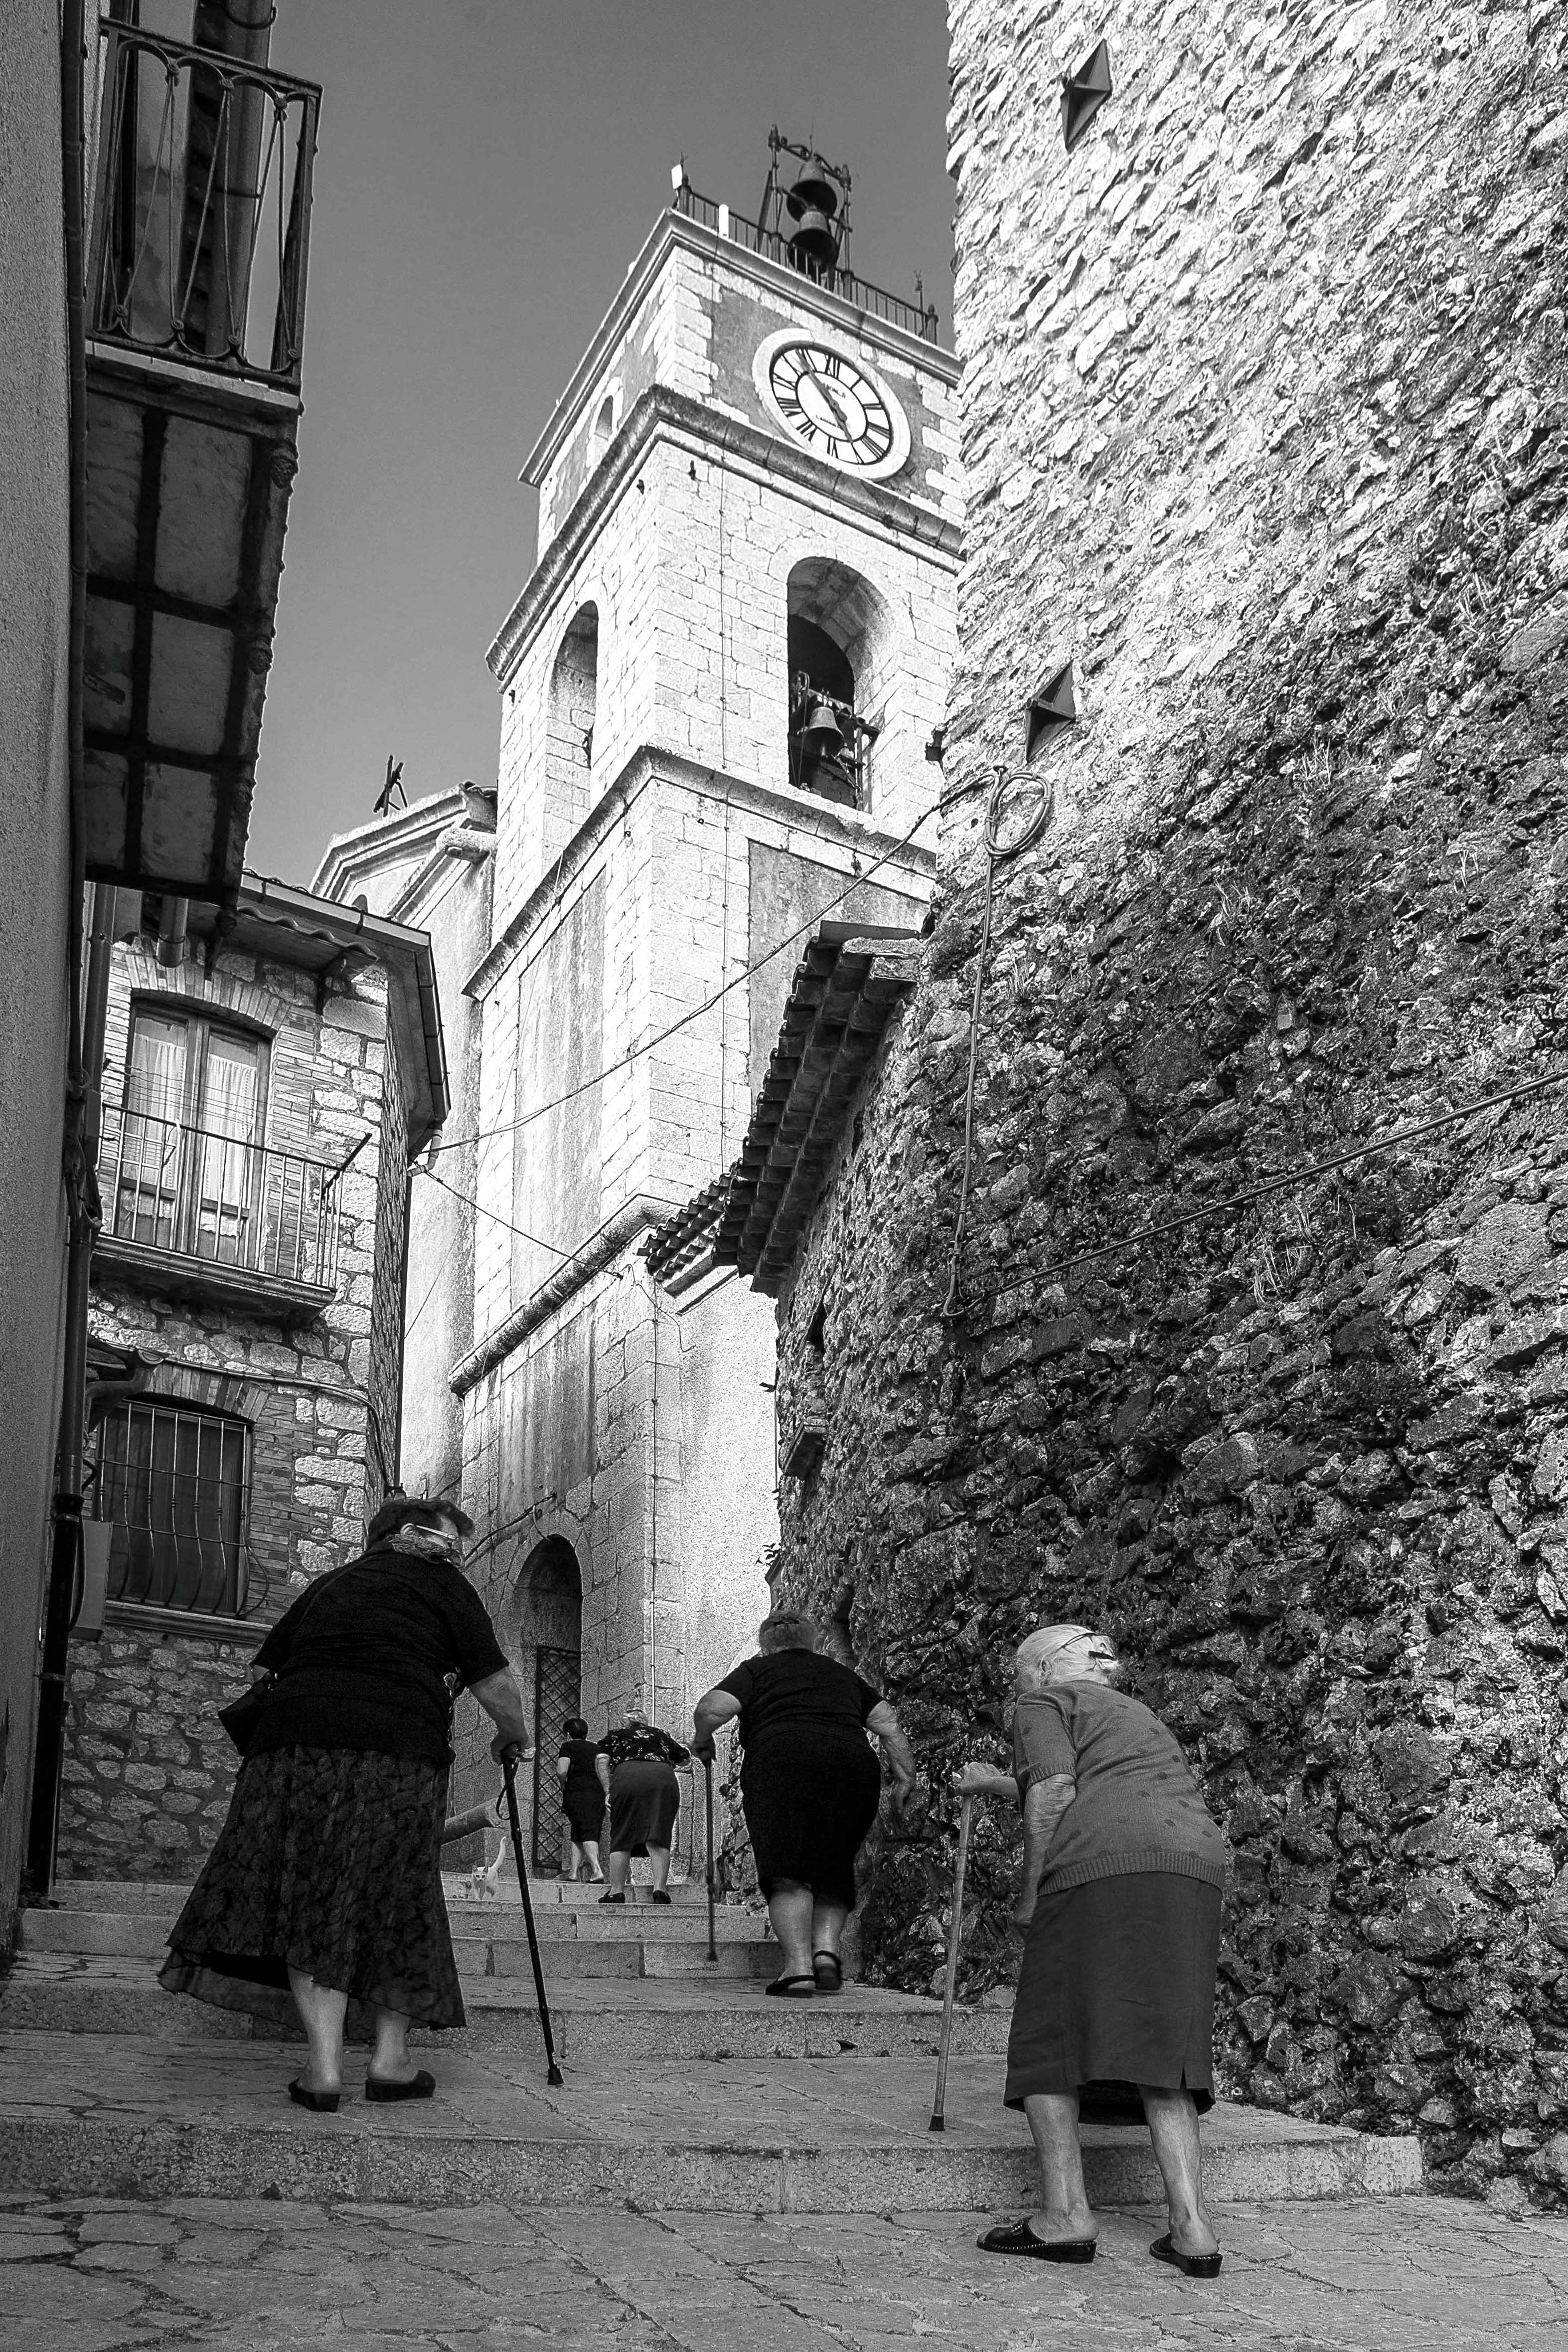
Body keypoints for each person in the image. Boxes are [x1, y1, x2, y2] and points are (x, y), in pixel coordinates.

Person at [158, 1495, 533, 2112]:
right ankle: (387, 2063)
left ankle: (324, 2069)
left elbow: (276, 1666)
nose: (454, 1553)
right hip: (396, 1752)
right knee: (398, 1893)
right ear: (408, 1536)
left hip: (291, 1750)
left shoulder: (328, 1586)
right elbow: (493, 1681)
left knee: (312, 1891)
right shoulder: (444, 1585)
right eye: (448, 1539)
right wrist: (513, 1736)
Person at [954, 1623, 1230, 2274]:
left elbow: (1054, 1788)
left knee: (1049, 2031)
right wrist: (996, 1783)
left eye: (1018, 1675)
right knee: (1167, 2044)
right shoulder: (1133, 1713)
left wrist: (1031, 1893)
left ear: (1046, 1667)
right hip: (1190, 1861)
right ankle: (1192, 2230)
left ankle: (1065, 2216)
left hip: (1102, 1861)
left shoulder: (1043, 1701)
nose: (1015, 1691)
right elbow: (1093, 1779)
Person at [692, 1607, 916, 1997]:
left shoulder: (756, 1671)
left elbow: (713, 1708)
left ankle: (798, 1969)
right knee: (833, 1861)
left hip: (782, 1764)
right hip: (851, 1767)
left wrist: (702, 1739)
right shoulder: (841, 1674)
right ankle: (826, 1955)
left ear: (766, 1644)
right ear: (812, 1641)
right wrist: (905, 1776)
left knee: (787, 1866)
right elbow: (887, 1723)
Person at [594, 1707, 689, 1903]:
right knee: (659, 1834)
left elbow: (601, 1760)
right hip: (663, 1779)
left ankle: (617, 1891)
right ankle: (660, 1890)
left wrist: (607, 1791)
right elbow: (684, 1757)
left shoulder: (616, 1735)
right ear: (645, 1723)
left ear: (625, 1723)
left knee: (622, 1834)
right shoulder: (661, 1734)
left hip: (627, 1778)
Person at [556, 1714, 606, 1882]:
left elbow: (562, 1770)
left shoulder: (568, 1746)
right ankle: (574, 1872)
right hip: (596, 1792)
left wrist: (563, 1784)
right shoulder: (597, 1748)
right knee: (578, 1832)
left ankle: (597, 1870)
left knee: (586, 1832)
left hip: (577, 1792)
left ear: (568, 1734)